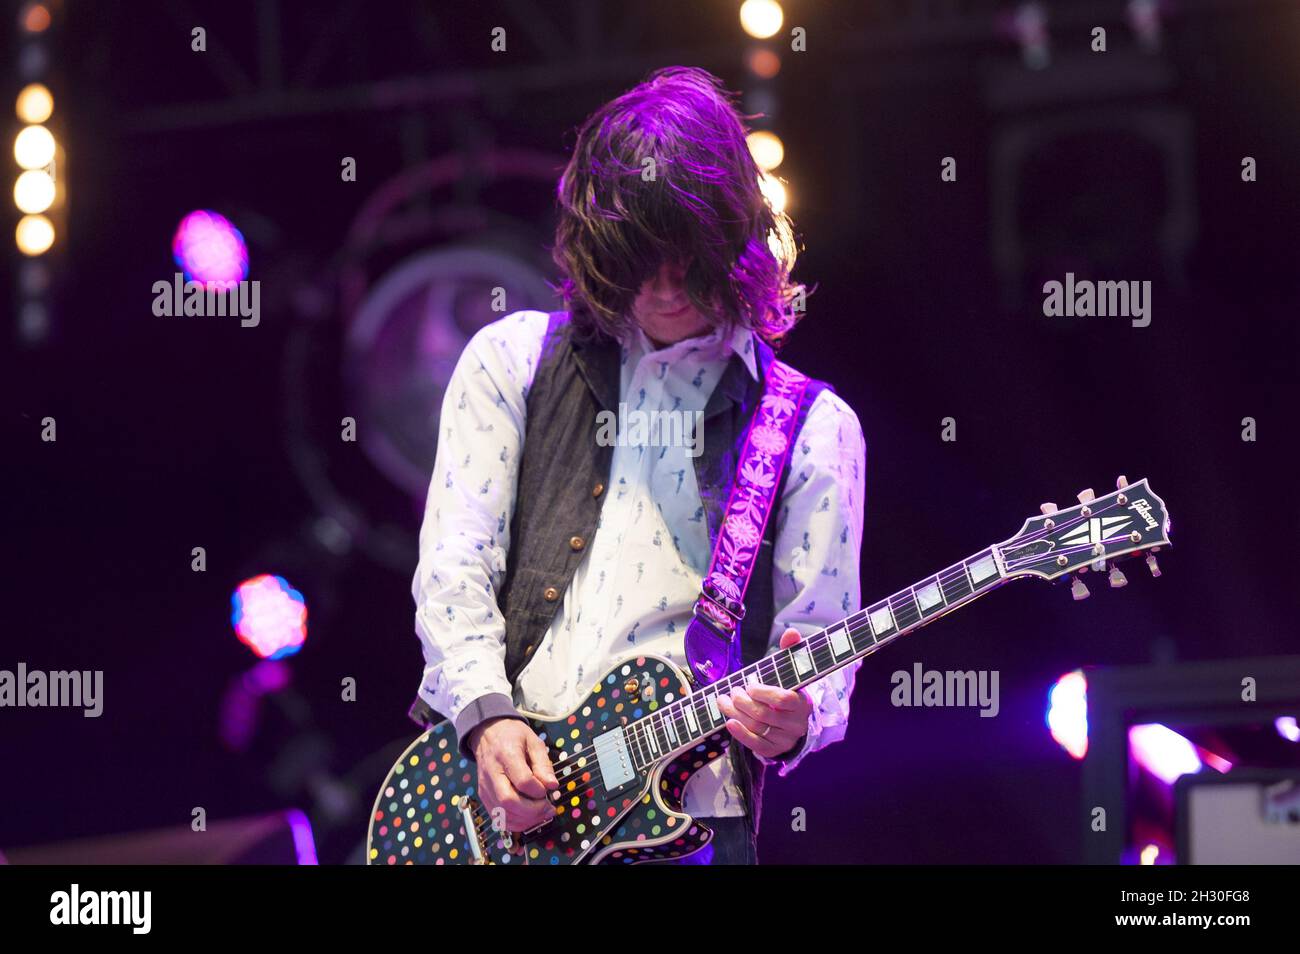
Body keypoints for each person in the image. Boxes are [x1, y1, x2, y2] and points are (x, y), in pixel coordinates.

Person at [407, 66, 866, 864]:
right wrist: (487, 715)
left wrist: (804, 714)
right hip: (510, 814)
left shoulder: (812, 428)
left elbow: (820, 641)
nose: (661, 286)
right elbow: (454, 568)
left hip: (691, 822)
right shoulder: (511, 361)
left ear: (736, 234)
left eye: (685, 256)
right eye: (636, 258)